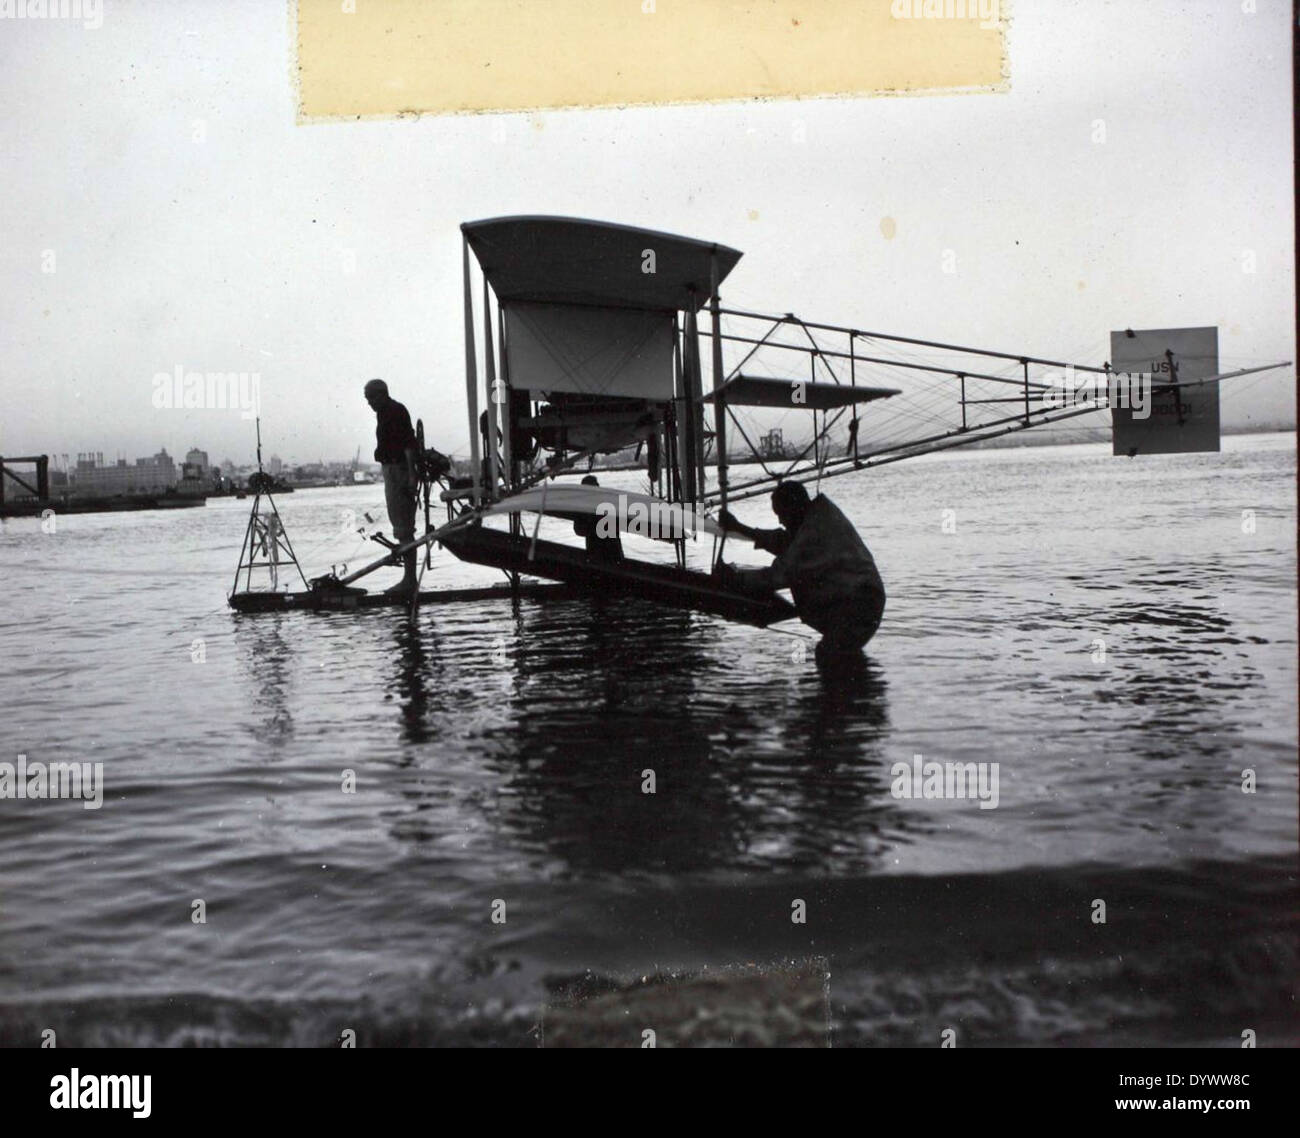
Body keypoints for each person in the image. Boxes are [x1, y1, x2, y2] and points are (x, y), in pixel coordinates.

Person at [718, 481, 886, 662]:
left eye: (781, 514)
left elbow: (780, 574)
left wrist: (735, 579)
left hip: (858, 605)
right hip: (860, 601)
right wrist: (739, 528)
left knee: (828, 654)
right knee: (838, 654)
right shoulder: (815, 517)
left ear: (794, 508)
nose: (780, 521)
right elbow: (786, 542)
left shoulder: (813, 531)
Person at [364, 378, 420, 595]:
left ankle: (409, 580)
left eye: (371, 398)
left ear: (381, 394)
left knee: (404, 526)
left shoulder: (395, 411)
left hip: (399, 470)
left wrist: (411, 476)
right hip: (392, 469)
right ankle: (408, 578)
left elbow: (408, 444)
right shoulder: (385, 412)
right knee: (400, 525)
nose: (369, 403)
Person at [573, 474, 624, 562]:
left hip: (600, 552)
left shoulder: (583, 507)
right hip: (610, 552)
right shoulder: (608, 502)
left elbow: (579, 530)